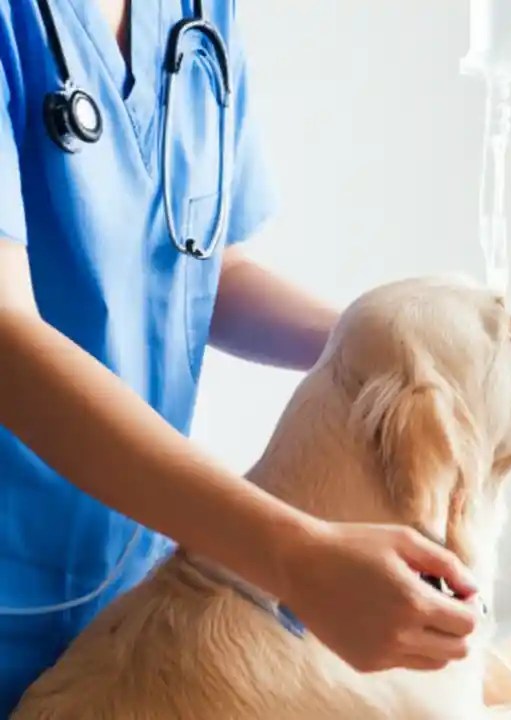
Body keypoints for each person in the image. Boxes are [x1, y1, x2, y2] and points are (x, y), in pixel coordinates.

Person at [0, 0, 479, 710]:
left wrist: (392, 353)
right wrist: (295, 556)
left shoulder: (200, 14)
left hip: (126, 585)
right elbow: (6, 345)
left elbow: (208, 271)